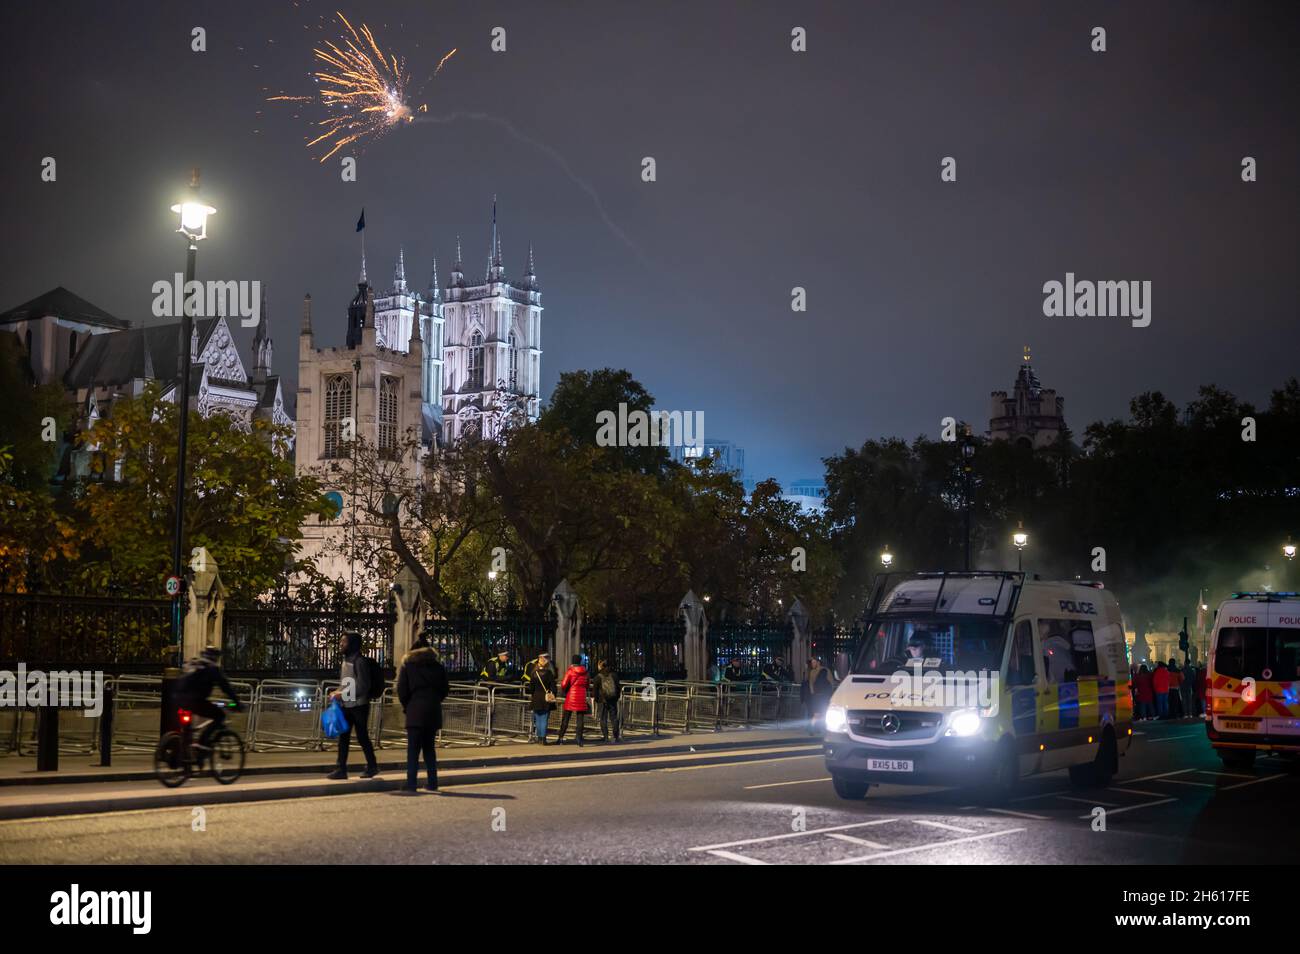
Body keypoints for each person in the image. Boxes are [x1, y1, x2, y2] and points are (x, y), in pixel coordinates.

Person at [396, 633, 449, 793]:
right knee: (429, 749)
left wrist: (408, 706)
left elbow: (402, 690)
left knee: (413, 750)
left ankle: (411, 783)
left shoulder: (409, 667)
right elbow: (445, 690)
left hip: (415, 711)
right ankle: (432, 782)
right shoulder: (438, 667)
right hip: (432, 711)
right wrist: (434, 700)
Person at [327, 631, 379, 780]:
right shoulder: (345, 661)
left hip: (359, 706)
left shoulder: (359, 662)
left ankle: (372, 766)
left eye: (344, 642)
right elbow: (347, 683)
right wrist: (337, 692)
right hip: (346, 704)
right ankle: (341, 769)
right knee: (344, 737)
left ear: (353, 645)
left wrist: (341, 694)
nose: (341, 644)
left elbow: (363, 686)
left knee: (362, 737)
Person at [175, 646, 244, 751]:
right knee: (219, 716)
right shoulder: (213, 669)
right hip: (196, 701)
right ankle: (201, 744)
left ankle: (183, 751)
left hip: (178, 698)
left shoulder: (194, 663)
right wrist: (237, 703)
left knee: (186, 728)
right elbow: (226, 688)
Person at [523, 651, 558, 743]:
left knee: (538, 719)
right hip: (546, 698)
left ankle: (539, 738)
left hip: (536, 698)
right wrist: (553, 694)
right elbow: (553, 687)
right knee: (544, 719)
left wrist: (533, 695)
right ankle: (543, 738)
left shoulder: (534, 674)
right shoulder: (549, 673)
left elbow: (531, 687)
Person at [555, 654, 589, 746]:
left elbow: (564, 684)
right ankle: (579, 739)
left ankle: (560, 738)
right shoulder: (585, 672)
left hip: (571, 697)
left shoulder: (570, 671)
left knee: (566, 718)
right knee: (580, 719)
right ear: (580, 661)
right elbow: (587, 685)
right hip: (581, 696)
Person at [800, 657, 835, 736]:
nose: (812, 664)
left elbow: (811, 684)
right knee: (819, 713)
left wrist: (813, 694)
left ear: (818, 662)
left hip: (818, 696)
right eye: (812, 663)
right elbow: (831, 683)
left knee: (818, 713)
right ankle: (816, 729)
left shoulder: (822, 671)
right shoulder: (818, 671)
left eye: (814, 662)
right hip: (820, 696)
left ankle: (815, 728)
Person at [592, 660, 622, 743]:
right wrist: (616, 697)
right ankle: (616, 736)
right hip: (613, 700)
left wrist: (597, 700)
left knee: (603, 718)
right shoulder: (614, 675)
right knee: (614, 718)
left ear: (601, 666)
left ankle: (605, 737)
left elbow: (595, 691)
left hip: (602, 701)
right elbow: (618, 688)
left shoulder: (598, 677)